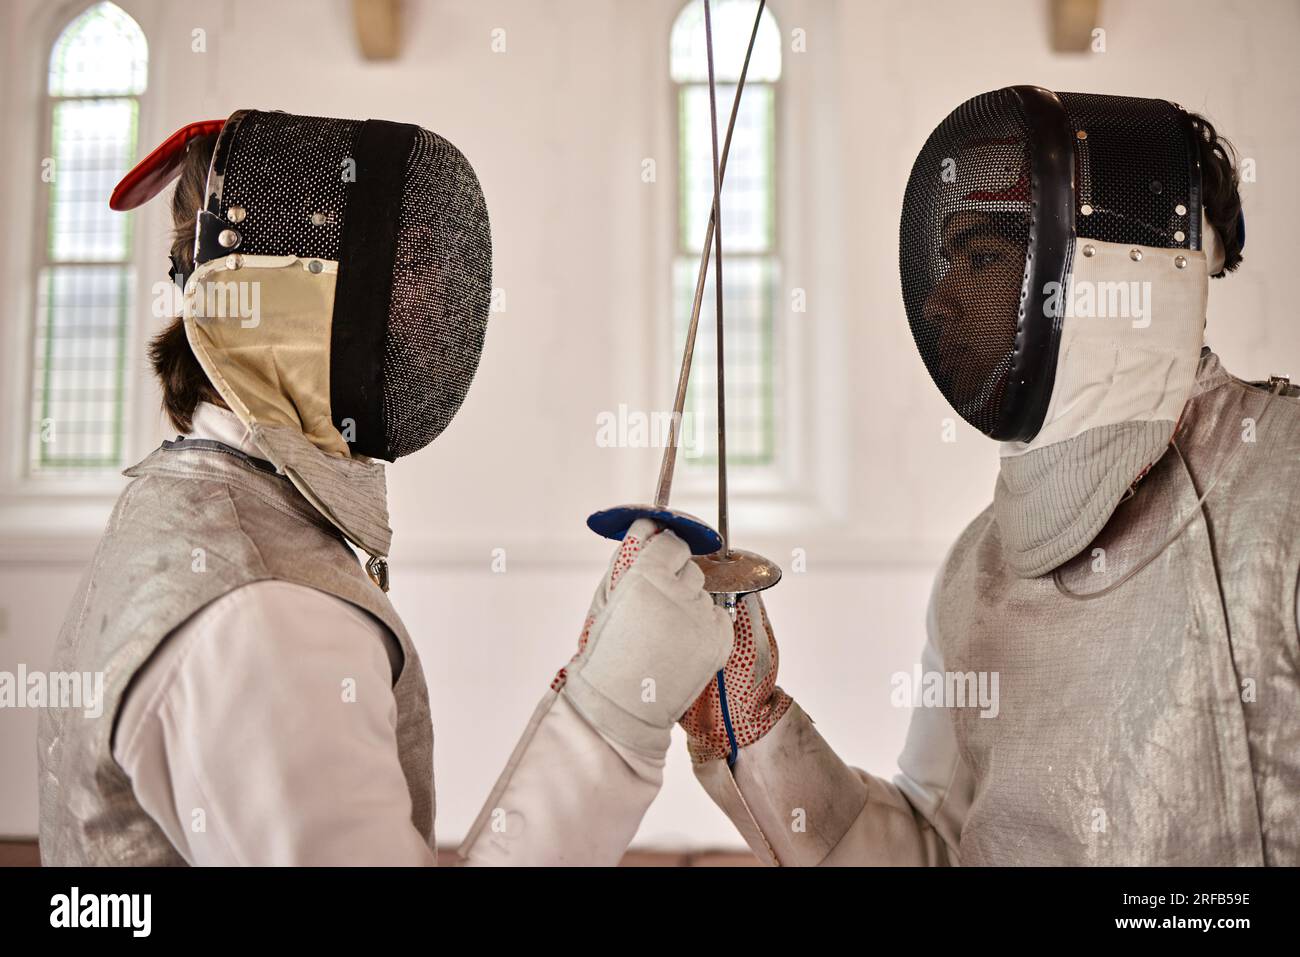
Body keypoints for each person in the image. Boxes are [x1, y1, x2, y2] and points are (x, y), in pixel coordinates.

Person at [37, 111, 733, 866]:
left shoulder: (189, 515)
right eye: (405, 265)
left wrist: (605, 667)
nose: (438, 302)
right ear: (293, 299)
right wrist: (617, 708)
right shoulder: (258, 613)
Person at [676, 87, 1300, 866]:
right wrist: (754, 731)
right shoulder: (979, 568)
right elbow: (936, 842)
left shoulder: (1282, 482)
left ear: (1109, 265)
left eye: (980, 258)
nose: (939, 300)